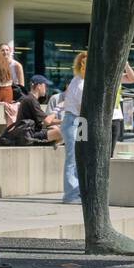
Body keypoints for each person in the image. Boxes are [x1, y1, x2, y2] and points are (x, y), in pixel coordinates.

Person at [0, 75, 62, 145]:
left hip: (28, 133)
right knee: (60, 132)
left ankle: (46, 144)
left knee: (57, 129)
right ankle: (43, 144)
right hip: (28, 135)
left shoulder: (30, 99)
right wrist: (58, 108)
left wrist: (62, 122)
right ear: (39, 86)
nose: (46, 88)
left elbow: (45, 120)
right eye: (45, 85)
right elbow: (47, 121)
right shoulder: (31, 100)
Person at [60, 51, 86, 204]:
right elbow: (83, 107)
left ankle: (77, 191)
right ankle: (71, 194)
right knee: (73, 158)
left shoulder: (77, 81)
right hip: (74, 120)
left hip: (79, 121)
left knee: (79, 157)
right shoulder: (80, 83)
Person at [111, 62, 134, 156]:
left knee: (111, 148)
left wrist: (126, 65)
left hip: (115, 116)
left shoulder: (116, 75)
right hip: (102, 116)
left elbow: (133, 79)